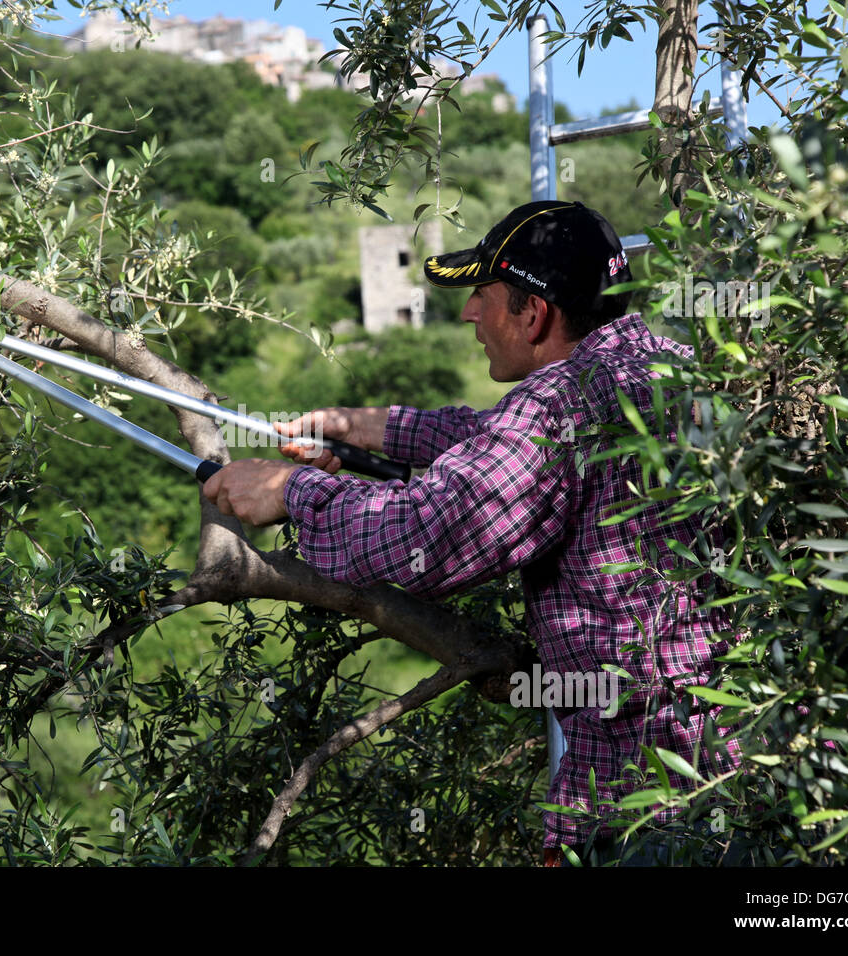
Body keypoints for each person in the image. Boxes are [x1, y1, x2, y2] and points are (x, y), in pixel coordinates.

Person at [200, 200, 738, 864]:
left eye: (482, 297)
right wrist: (371, 427)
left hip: (656, 814)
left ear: (533, 314)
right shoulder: (664, 363)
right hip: (744, 772)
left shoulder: (559, 406)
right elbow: (511, 442)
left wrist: (290, 492)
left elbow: (430, 534)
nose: (468, 315)